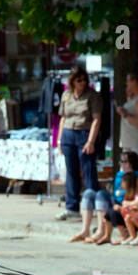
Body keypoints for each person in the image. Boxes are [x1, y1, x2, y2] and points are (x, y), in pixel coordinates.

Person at [56, 65, 102, 222]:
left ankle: (95, 206)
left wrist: (91, 141)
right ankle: (72, 206)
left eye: (84, 80)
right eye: (79, 80)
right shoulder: (66, 95)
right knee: (71, 171)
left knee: (88, 171)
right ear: (72, 81)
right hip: (69, 133)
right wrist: (60, 139)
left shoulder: (92, 96)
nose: (82, 83)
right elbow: (63, 118)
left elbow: (97, 119)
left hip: (84, 133)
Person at [114, 70, 138, 154]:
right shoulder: (134, 98)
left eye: (128, 81)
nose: (126, 83)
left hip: (137, 145)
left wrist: (124, 114)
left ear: (134, 81)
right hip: (130, 144)